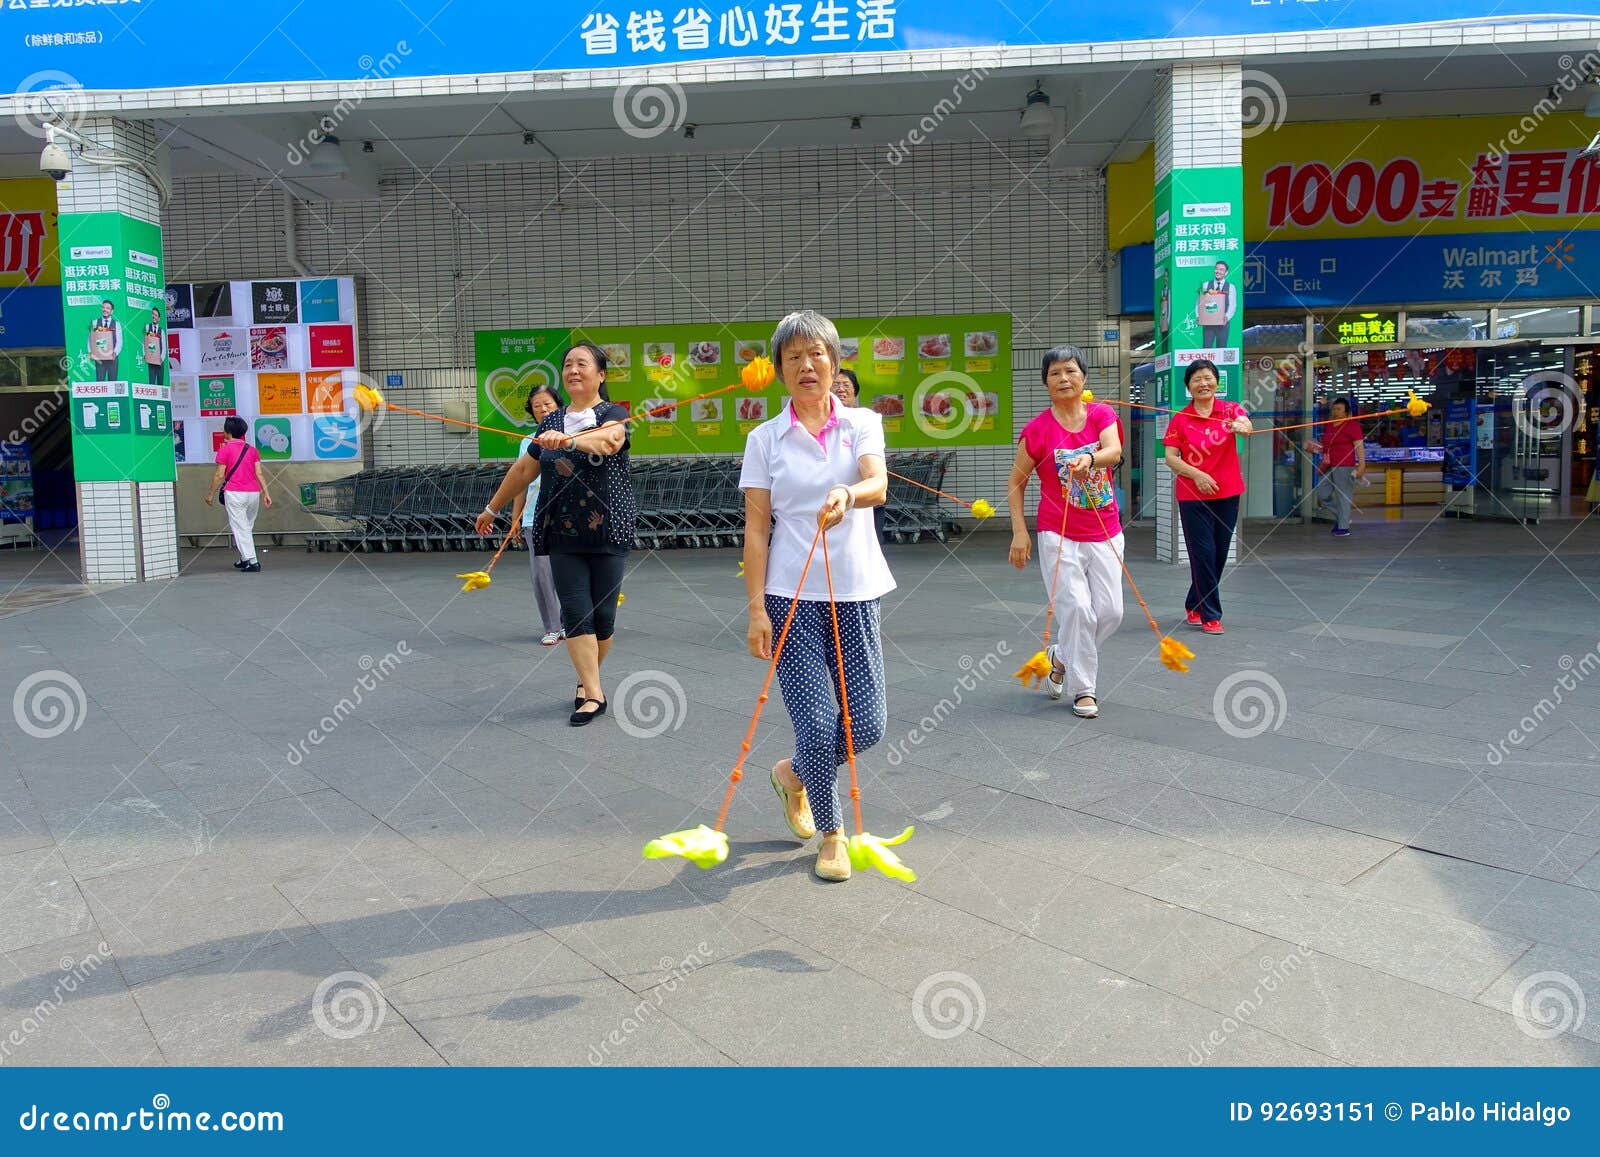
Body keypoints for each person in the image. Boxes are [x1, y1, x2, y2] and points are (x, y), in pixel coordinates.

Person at [741, 310, 892, 882]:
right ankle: (832, 833)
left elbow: (876, 483)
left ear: (834, 362)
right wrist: (756, 609)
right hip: (789, 596)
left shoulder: (862, 425)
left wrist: (847, 494)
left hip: (856, 591)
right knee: (817, 722)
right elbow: (757, 529)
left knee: (869, 724)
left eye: (817, 354)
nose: (808, 366)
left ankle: (793, 775)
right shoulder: (764, 440)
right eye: (794, 357)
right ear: (780, 370)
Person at [477, 343, 634, 726]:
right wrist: (492, 508)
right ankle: (593, 694)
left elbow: (609, 442)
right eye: (567, 364)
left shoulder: (613, 414)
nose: (573, 370)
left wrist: (569, 441)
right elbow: (522, 471)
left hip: (608, 526)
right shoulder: (549, 422)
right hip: (560, 527)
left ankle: (587, 680)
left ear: (601, 375)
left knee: (604, 618)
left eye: (582, 364)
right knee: (576, 612)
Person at [1007, 345, 1124, 717]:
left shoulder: (1102, 415)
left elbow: (1115, 451)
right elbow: (1016, 483)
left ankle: (1059, 656)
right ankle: (1084, 689)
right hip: (1057, 533)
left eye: (1070, 371)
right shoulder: (1038, 430)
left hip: (1105, 529)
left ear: (1083, 378)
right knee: (1077, 612)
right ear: (1046, 382)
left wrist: (1088, 458)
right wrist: (1019, 533)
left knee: (1110, 613)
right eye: (1055, 373)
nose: (1063, 378)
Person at [1162, 359, 1252, 634]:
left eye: (1208, 378)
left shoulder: (1229, 409)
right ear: (1188, 386)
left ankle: (1194, 601)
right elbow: (1170, 458)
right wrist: (1197, 475)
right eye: (1196, 379)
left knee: (1219, 554)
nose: (1203, 383)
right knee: (1203, 553)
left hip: (1228, 491)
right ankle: (1210, 614)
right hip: (1192, 495)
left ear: (1216, 382)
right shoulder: (1181, 418)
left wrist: (1242, 427)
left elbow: (1246, 423)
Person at [510, 384, 565, 644]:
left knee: (569, 571)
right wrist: (515, 518)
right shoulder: (527, 442)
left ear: (558, 406)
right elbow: (520, 481)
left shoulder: (572, 436)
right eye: (537, 406)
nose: (543, 410)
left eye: (548, 404)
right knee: (541, 574)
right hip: (536, 516)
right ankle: (552, 627)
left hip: (568, 515)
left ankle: (570, 623)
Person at [205, 415, 271, 572]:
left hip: (235, 493)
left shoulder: (225, 450)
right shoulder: (252, 450)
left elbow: (219, 475)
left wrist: (211, 494)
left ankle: (253, 562)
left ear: (228, 432)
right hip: (253, 493)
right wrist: (266, 493)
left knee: (240, 528)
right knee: (246, 527)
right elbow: (259, 473)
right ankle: (244, 558)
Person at [1307, 396, 1365, 537]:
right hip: (1329, 465)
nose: (1336, 412)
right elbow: (1327, 445)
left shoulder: (1353, 425)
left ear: (1346, 411)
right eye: (1334, 409)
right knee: (1322, 493)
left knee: (1343, 496)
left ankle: (1343, 527)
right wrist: (1315, 447)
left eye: (1339, 409)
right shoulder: (1329, 425)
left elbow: (1359, 446)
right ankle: (1342, 518)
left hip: (1345, 465)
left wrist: (1362, 464)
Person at [1196, 261, 1236, 349]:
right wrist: (1198, 316)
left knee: (1221, 348)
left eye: (1221, 269)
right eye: (1216, 269)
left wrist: (1227, 317)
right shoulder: (1205, 285)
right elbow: (1199, 303)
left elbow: (1232, 305)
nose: (1218, 271)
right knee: (1206, 348)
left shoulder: (1231, 287)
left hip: (1223, 323)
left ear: (1226, 273)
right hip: (1208, 322)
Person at [89, 300, 122, 382]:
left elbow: (119, 341)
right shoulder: (95, 322)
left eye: (107, 308)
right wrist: (90, 352)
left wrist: (115, 352)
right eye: (103, 307)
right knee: (100, 382)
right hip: (99, 357)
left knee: (113, 381)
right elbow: (90, 339)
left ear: (112, 311)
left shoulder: (117, 324)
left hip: (112, 358)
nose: (105, 309)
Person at [143, 306, 164, 385]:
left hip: (159, 360)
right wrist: (145, 354)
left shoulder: (161, 330)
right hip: (151, 359)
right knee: (151, 382)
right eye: (152, 314)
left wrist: (161, 358)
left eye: (156, 315)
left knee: (160, 382)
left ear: (158, 318)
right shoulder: (147, 327)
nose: (153, 316)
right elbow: (144, 342)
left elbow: (164, 346)